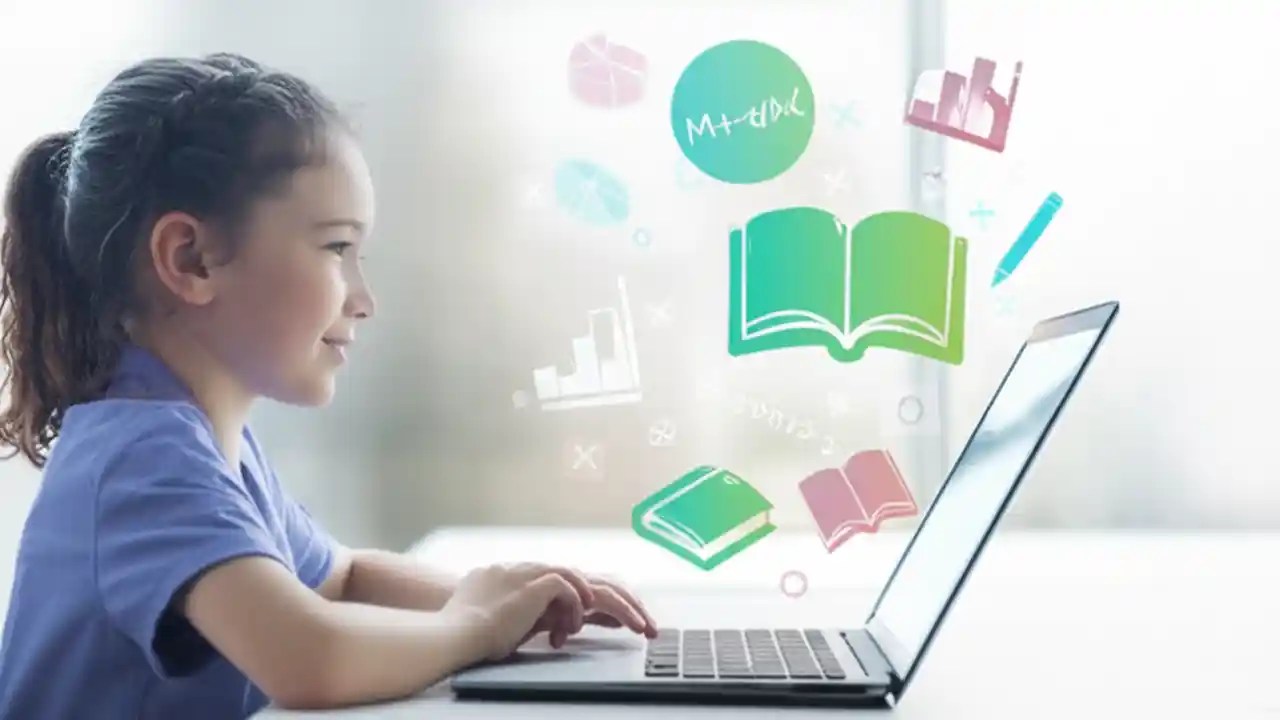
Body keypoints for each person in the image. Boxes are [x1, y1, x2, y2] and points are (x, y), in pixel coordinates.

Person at [0, 53, 658, 719]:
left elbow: (341, 578)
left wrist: (517, 601)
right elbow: (309, 659)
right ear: (190, 259)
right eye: (336, 249)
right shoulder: (142, 458)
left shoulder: (202, 442)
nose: (364, 300)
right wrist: (477, 625)